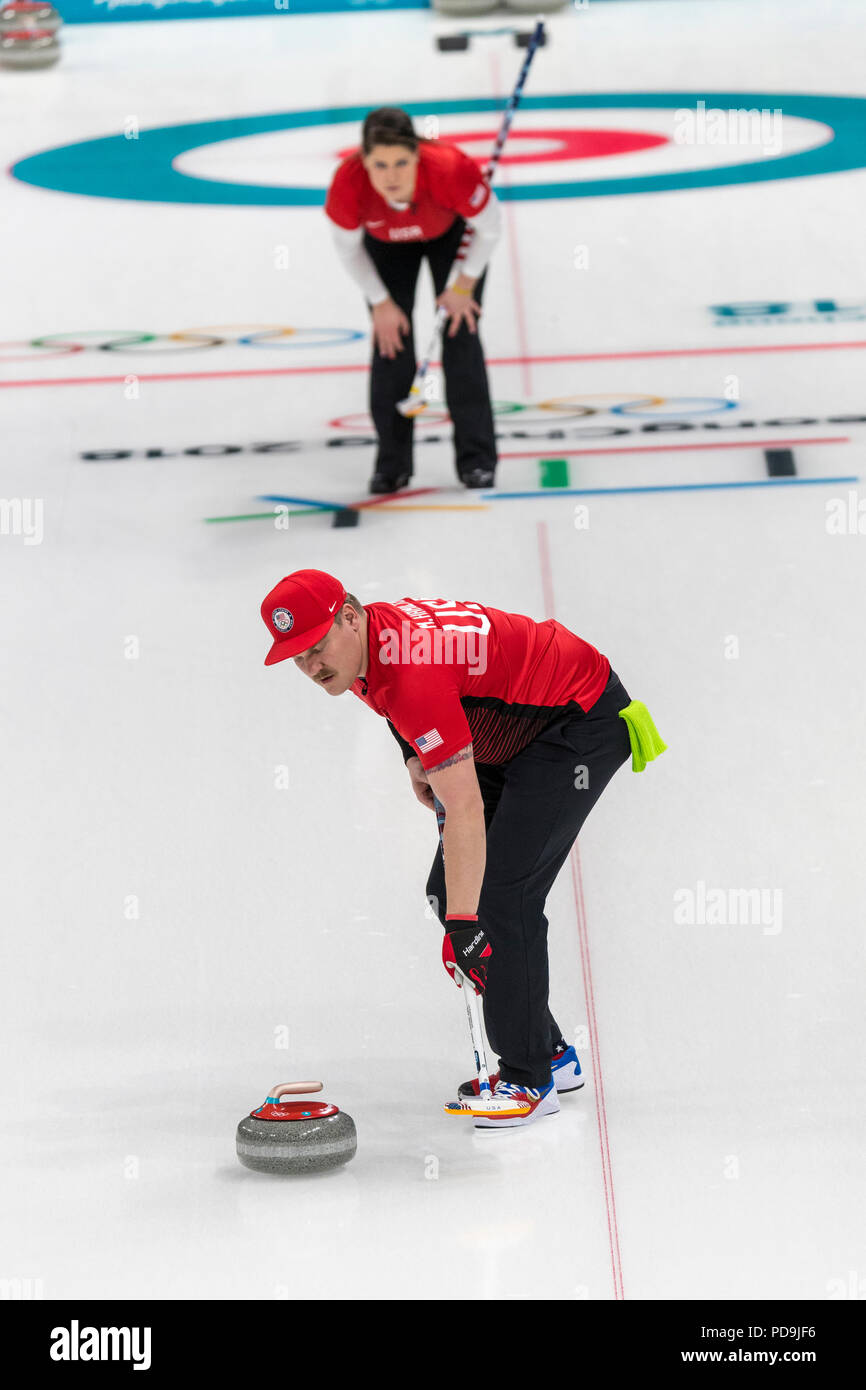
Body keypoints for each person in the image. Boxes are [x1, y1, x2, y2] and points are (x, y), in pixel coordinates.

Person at [260, 569, 666, 1130]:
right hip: (516, 732)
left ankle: (528, 1080)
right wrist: (414, 756)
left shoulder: (409, 671)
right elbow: (396, 704)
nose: (310, 667)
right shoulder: (366, 646)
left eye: (316, 647)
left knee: (498, 901)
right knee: (450, 892)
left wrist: (465, 924)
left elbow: (465, 809)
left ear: (349, 617)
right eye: (296, 657)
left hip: (576, 725)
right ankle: (548, 1051)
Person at [324, 107, 502, 494]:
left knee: (461, 337)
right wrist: (380, 305)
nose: (391, 176)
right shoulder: (348, 185)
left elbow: (489, 227)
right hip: (385, 246)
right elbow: (347, 251)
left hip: (449, 236)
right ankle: (392, 464)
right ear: (362, 161)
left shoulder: (450, 170)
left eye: (402, 162)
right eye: (380, 165)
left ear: (418, 154)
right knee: (391, 345)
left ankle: (477, 461)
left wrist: (463, 285)